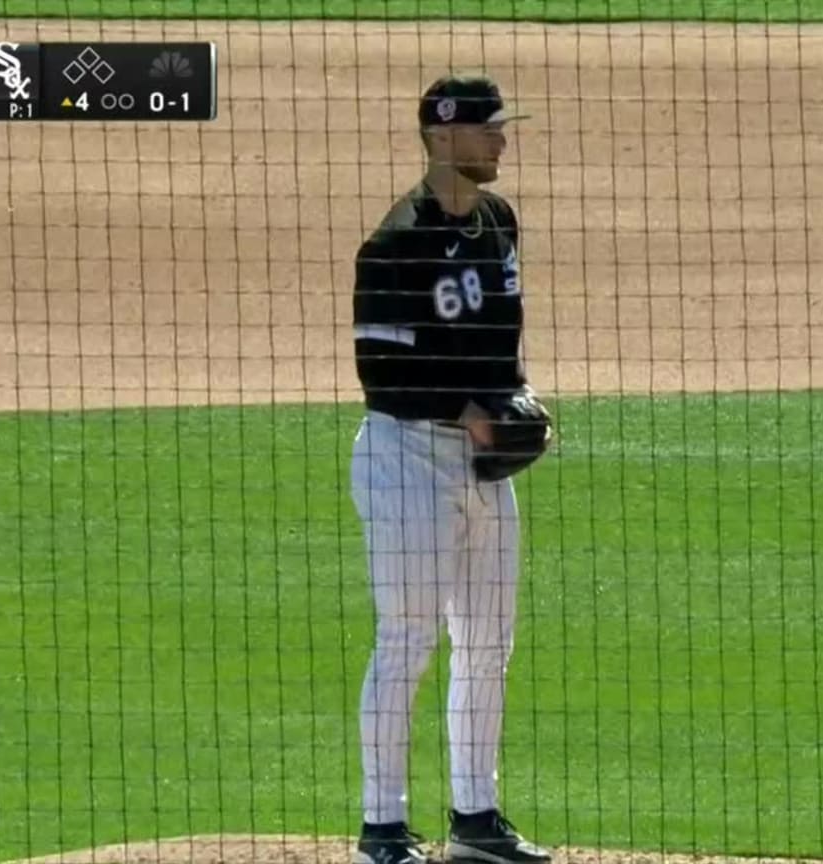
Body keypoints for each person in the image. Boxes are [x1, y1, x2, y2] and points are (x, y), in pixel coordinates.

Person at [346, 73, 553, 864]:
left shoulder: (499, 220)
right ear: (441, 135)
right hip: (408, 459)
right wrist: (470, 414)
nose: (501, 139)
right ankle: (383, 829)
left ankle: (476, 817)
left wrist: (519, 401)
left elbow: (502, 338)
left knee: (488, 642)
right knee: (407, 639)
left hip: (481, 470)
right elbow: (379, 370)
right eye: (487, 128)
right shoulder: (396, 242)